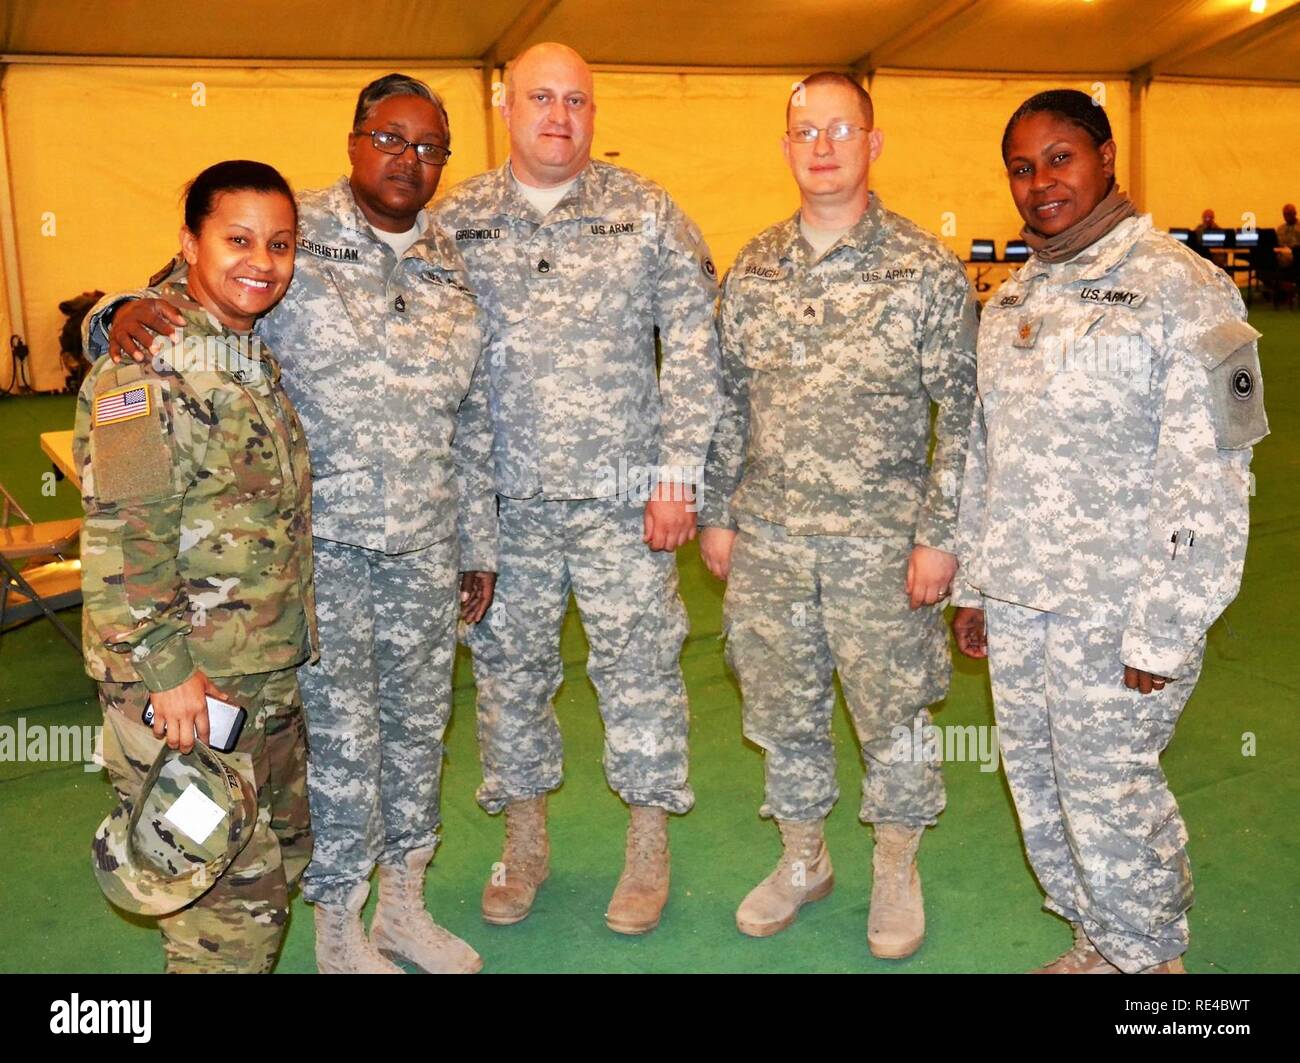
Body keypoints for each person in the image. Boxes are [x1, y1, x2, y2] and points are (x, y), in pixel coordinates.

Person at [88, 74, 496, 974]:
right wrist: (116, 315)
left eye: (430, 147)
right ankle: (341, 924)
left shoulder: (454, 258)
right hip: (315, 559)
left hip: (424, 548)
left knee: (418, 732)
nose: (409, 159)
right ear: (353, 140)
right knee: (337, 748)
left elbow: (472, 417)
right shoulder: (288, 230)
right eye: (391, 138)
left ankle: (404, 906)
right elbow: (163, 314)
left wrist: (478, 541)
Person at [951, 89, 1268, 974]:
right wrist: (976, 583)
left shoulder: (1186, 286)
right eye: (1022, 166)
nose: (1040, 181)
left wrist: (1167, 624)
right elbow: (985, 452)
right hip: (1020, 602)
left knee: (1111, 795)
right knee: (1043, 790)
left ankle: (1149, 967)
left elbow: (1214, 472)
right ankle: (1098, 942)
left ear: (1107, 156)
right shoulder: (1012, 295)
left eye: (1060, 157)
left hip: (1120, 611)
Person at [431, 43, 722, 935]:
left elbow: (697, 345)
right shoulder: (458, 220)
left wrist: (677, 474)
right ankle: (524, 845)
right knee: (510, 674)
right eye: (541, 98)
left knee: (639, 672)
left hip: (625, 500)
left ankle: (646, 848)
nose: (560, 116)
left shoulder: (645, 212)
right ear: (506, 104)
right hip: (504, 505)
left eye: (577, 101)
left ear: (595, 113)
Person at [697, 73, 977, 957]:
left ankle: (896, 866)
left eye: (841, 129)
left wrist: (940, 534)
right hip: (771, 538)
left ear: (873, 143)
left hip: (883, 544)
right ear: (786, 149)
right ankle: (804, 857)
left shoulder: (923, 269)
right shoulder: (753, 267)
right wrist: (716, 511)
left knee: (892, 712)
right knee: (782, 709)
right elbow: (724, 402)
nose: (822, 147)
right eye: (805, 132)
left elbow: (965, 413)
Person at [78, 160, 314, 973]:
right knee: (226, 921)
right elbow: (125, 529)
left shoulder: (242, 350)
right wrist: (166, 669)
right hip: (185, 689)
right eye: (237, 239)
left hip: (256, 677)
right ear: (189, 242)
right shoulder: (141, 364)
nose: (262, 261)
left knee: (273, 874)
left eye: (280, 244)